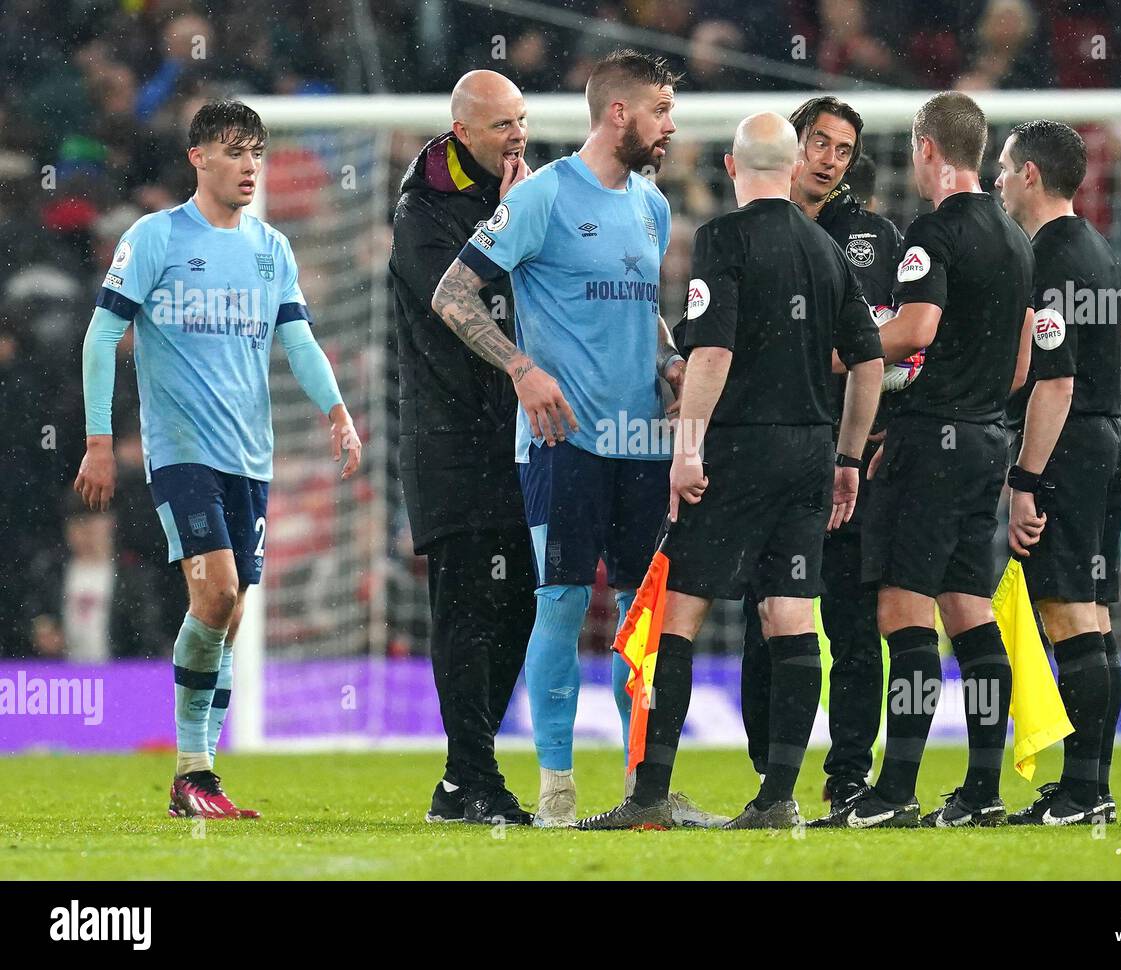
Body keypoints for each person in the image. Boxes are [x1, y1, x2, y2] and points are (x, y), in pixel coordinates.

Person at [432, 50, 718, 828]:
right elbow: (451, 293)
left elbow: (643, 310)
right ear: (618, 113)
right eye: (662, 110)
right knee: (558, 605)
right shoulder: (545, 197)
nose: (671, 127)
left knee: (639, 617)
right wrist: (520, 366)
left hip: (640, 444)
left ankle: (641, 791)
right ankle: (556, 786)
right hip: (562, 444)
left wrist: (668, 361)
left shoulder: (652, 207)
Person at [577, 112, 884, 831]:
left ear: (731, 163)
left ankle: (649, 797)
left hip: (739, 448)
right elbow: (871, 364)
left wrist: (688, 448)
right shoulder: (826, 247)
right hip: (808, 452)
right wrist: (847, 457)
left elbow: (710, 354)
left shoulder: (724, 238)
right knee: (789, 615)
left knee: (676, 617)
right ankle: (778, 799)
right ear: (793, 163)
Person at [75, 100, 362, 819]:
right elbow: (99, 337)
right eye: (235, 152)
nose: (250, 166)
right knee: (217, 593)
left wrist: (337, 412)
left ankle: (201, 780)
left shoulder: (272, 249)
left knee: (228, 616)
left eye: (257, 153)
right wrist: (100, 440)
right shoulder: (155, 238)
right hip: (181, 452)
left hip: (249, 458)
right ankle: (191, 772)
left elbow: (297, 342)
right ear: (197, 157)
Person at [851, 91, 1034, 829]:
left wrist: (847, 349)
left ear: (928, 148)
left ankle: (894, 793)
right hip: (988, 438)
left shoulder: (935, 230)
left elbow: (916, 326)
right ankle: (983, 790)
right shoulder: (1018, 236)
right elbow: (1021, 365)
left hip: (935, 444)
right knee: (968, 609)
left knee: (903, 610)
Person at [736, 96, 905, 827]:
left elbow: (892, 347)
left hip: (849, 459)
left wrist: (874, 435)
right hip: (764, 456)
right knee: (762, 621)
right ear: (791, 146)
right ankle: (771, 774)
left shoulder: (871, 238)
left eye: (844, 148)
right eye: (820, 143)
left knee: (850, 621)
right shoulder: (744, 231)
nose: (831, 159)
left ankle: (847, 776)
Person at [389, 70, 536, 826]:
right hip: (450, 438)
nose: (518, 134)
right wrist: (513, 222)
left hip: (520, 435)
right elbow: (460, 305)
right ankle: (471, 774)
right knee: (468, 606)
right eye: (503, 125)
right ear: (464, 133)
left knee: (518, 607)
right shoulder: (422, 210)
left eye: (521, 119)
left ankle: (463, 777)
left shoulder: (522, 193)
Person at [996, 120, 1121, 825]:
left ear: (1030, 176)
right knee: (1096, 618)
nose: (996, 180)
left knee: (1069, 615)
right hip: (1107, 442)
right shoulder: (1095, 247)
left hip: (1070, 448)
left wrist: (1025, 479)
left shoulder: (1049, 253)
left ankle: (1082, 791)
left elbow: (1055, 381)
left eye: (1004, 167)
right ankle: (1092, 786)